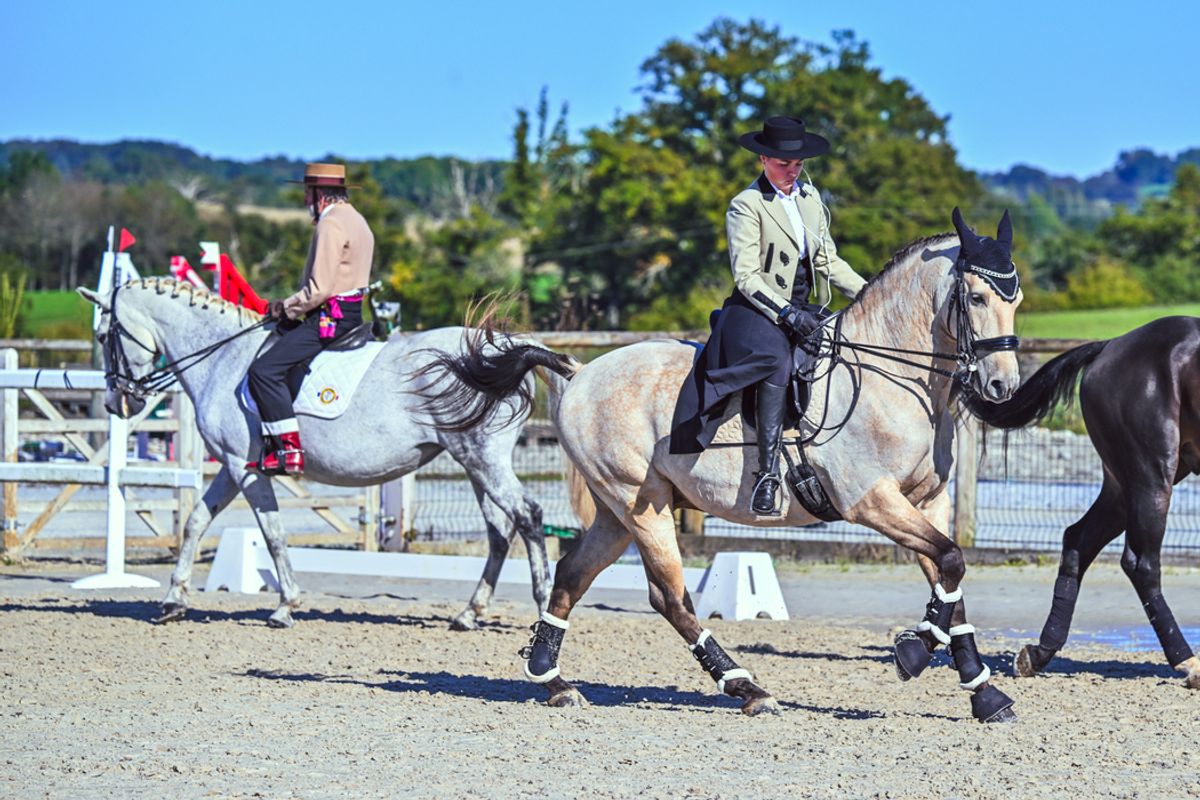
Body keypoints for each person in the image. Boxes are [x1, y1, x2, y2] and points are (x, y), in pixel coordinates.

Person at [669, 116, 866, 515]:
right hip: (755, 309)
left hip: (802, 305)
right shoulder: (746, 205)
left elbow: (828, 261)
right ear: (763, 158)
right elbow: (746, 276)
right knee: (776, 358)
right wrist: (786, 313)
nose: (792, 170)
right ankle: (767, 474)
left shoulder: (811, 200)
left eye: (797, 164)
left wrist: (870, 294)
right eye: (782, 163)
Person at [245, 163, 375, 476]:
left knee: (263, 370)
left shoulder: (330, 224)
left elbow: (319, 289)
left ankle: (289, 451)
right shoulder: (357, 219)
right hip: (353, 312)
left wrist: (286, 307)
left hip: (330, 318)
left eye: (307, 193)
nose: (305, 201)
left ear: (319, 195)